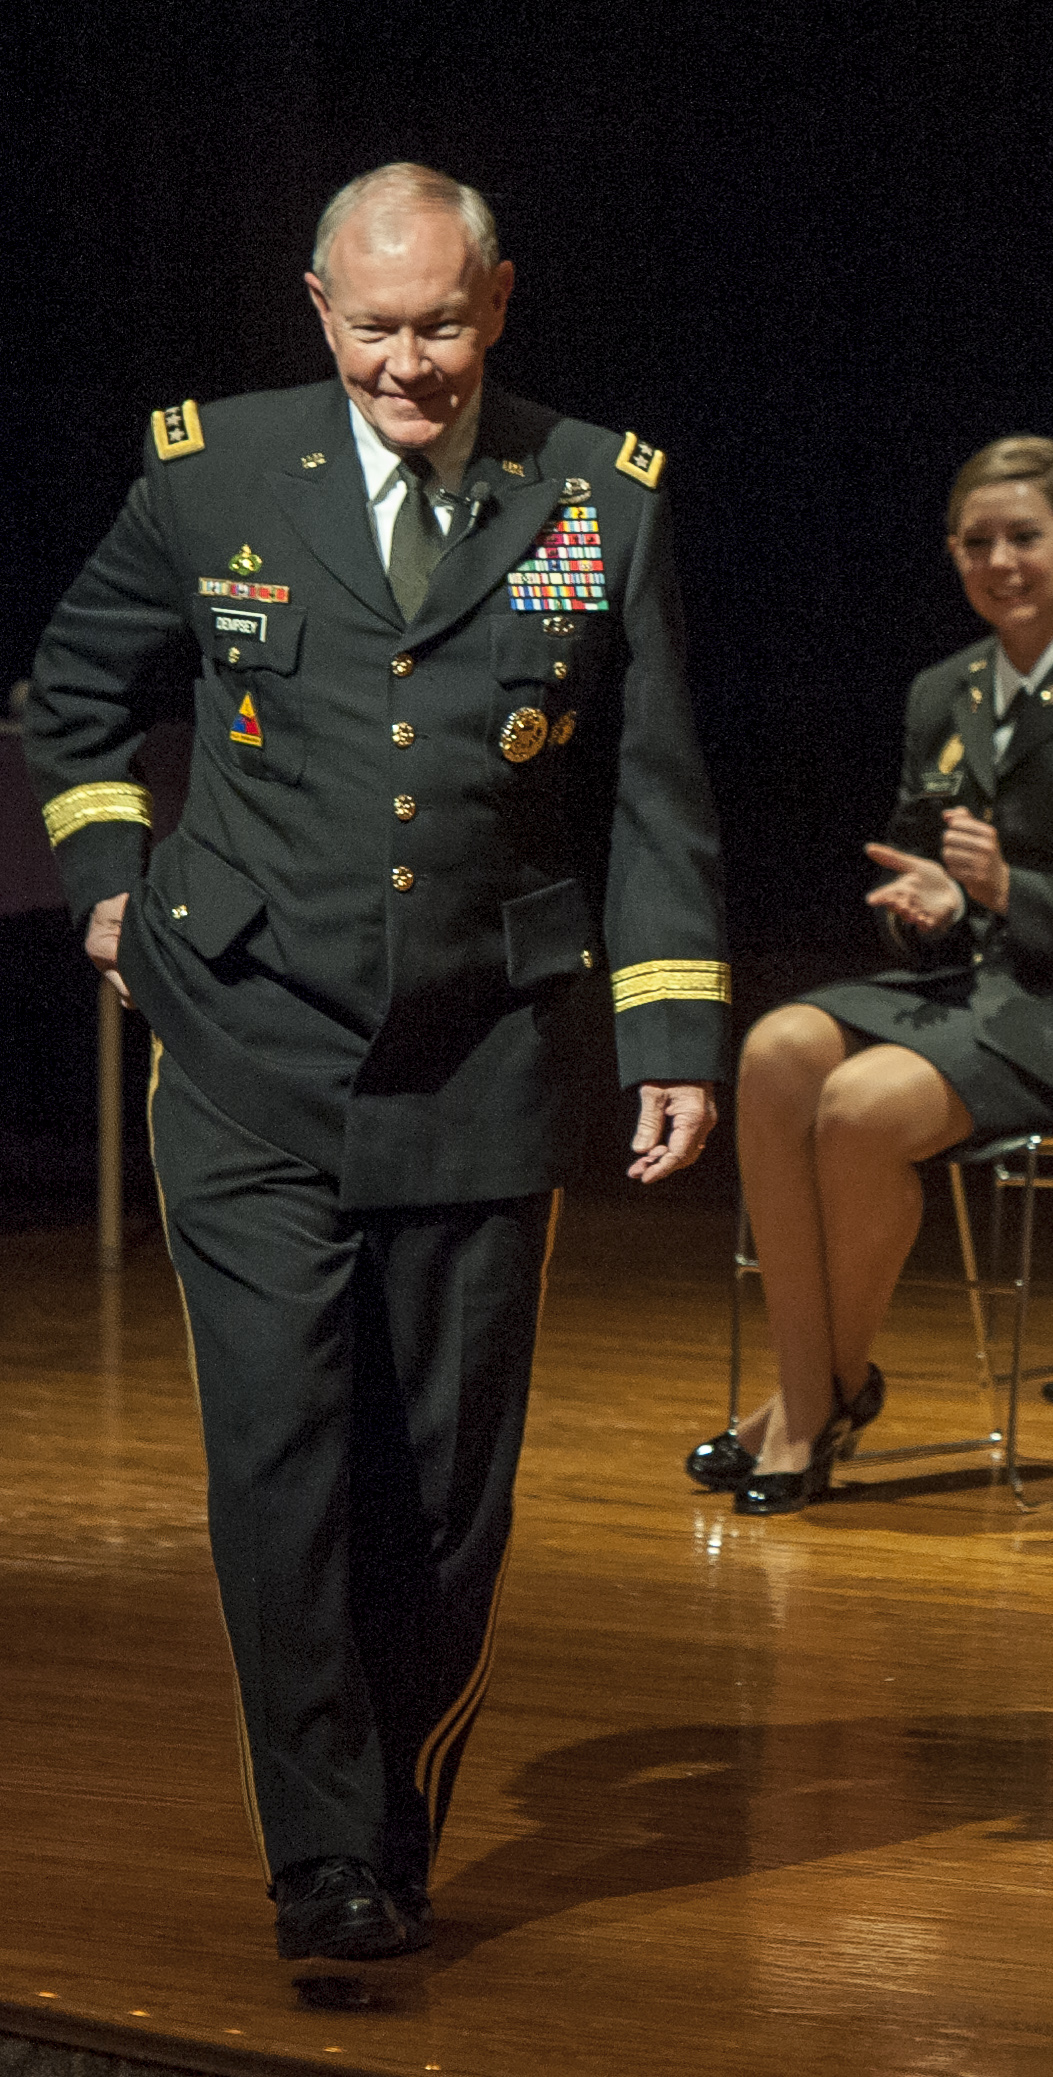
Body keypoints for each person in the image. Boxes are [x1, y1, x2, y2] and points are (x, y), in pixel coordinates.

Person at [23, 164, 727, 1961]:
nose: (409, 364)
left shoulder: (601, 496)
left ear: (496, 303)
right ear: (320, 310)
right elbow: (76, 684)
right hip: (246, 1040)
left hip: (483, 1059)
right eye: (376, 327)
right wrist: (110, 880)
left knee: (438, 1484)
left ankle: (400, 1810)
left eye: (441, 325)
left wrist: (668, 1030)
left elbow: (652, 788)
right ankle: (321, 1849)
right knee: (277, 1461)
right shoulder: (212, 472)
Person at [687, 437, 1053, 1493]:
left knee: (855, 1106)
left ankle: (810, 1406)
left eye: (1024, 537)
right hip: (974, 994)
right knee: (776, 1047)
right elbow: (921, 886)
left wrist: (1005, 893)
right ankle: (813, 1385)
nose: (1000, 560)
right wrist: (930, 908)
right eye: (976, 542)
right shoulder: (945, 691)